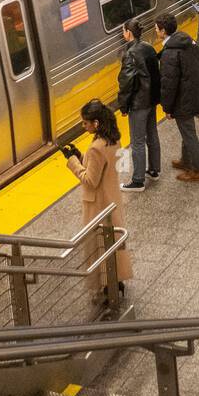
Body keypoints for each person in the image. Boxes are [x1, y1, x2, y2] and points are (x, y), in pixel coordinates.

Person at [62, 99, 133, 287]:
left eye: (85, 122)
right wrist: (79, 155)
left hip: (97, 203)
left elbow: (90, 180)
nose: (83, 126)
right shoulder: (113, 139)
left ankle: (106, 284)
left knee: (99, 245)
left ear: (96, 123)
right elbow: (100, 167)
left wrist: (73, 162)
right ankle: (117, 280)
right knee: (113, 242)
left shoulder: (96, 148)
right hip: (111, 197)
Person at [156, 13, 199, 182]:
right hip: (194, 92)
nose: (156, 31)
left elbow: (169, 84)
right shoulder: (185, 40)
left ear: (163, 31)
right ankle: (186, 160)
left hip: (184, 99)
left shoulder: (170, 53)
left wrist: (167, 108)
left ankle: (198, 170)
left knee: (189, 133)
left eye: (157, 29)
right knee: (187, 131)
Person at [115, 18, 161, 192]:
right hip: (151, 99)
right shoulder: (148, 47)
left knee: (137, 141)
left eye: (123, 31)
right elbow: (155, 73)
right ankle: (154, 170)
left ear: (128, 32)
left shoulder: (130, 53)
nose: (122, 34)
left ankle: (138, 180)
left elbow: (126, 83)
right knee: (152, 134)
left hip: (139, 103)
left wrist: (124, 106)